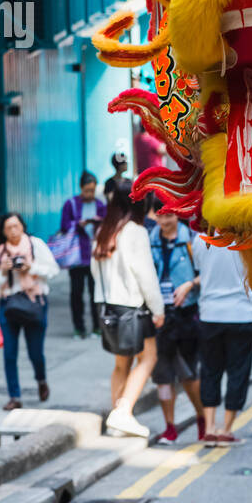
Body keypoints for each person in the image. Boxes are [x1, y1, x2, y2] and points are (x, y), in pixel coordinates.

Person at [91, 181, 165, 438]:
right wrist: (158, 309)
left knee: (122, 363)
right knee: (149, 358)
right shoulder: (135, 231)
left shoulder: (104, 230)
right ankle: (123, 412)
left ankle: (116, 422)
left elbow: (93, 270)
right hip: (131, 306)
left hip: (105, 305)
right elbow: (145, 274)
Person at [191, 237, 252, 445]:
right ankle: (226, 430)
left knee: (210, 370)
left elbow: (200, 270)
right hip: (242, 313)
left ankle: (210, 428)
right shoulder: (250, 240)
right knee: (238, 372)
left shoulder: (199, 240)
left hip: (210, 314)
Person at [0, 213, 59, 412]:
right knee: (9, 353)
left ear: (22, 226)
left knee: (35, 352)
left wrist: (32, 267)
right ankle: (14, 395)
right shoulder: (1, 251)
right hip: (9, 304)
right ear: (3, 231)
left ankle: (41, 379)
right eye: (8, 228)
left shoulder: (35, 244)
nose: (13, 230)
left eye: (16, 226)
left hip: (34, 302)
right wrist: (4, 271)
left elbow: (54, 270)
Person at [149, 211, 205, 446]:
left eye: (169, 215)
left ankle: (203, 418)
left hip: (185, 315)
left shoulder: (192, 238)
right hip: (158, 317)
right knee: (163, 377)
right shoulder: (148, 241)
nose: (164, 221)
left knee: (189, 375)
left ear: (177, 214)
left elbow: (206, 273)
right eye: (159, 215)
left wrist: (190, 285)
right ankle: (169, 427)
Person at [60, 171, 106, 340]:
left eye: (92, 190)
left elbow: (107, 224)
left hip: (94, 256)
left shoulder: (100, 205)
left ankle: (97, 327)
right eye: (87, 190)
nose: (89, 194)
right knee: (76, 293)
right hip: (76, 257)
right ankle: (78, 328)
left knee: (96, 293)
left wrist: (97, 221)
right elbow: (64, 227)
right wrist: (78, 224)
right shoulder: (70, 204)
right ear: (81, 188)